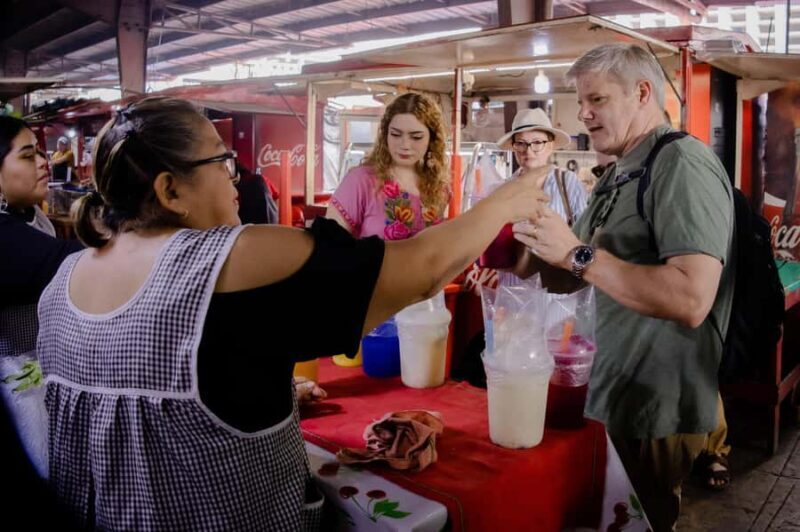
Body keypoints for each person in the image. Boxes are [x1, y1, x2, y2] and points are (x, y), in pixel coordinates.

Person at [36, 96, 550, 530]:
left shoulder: (64, 280)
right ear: (171, 191)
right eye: (223, 164)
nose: (237, 177)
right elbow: (422, 269)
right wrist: (504, 202)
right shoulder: (233, 255)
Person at [513, 43, 734, 531]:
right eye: (581, 103)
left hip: (652, 409)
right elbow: (577, 278)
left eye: (597, 100)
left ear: (641, 92)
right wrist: (538, 242)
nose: (584, 114)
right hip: (607, 394)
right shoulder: (617, 174)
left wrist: (575, 253)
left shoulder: (681, 163)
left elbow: (691, 297)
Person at [0, 116, 83, 478]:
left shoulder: (32, 217)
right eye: (27, 155)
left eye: (41, 153)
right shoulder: (4, 237)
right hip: (16, 385)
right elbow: (70, 264)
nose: (43, 162)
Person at [326, 92, 449, 240]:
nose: (405, 145)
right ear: (385, 135)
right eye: (396, 135)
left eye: (416, 137)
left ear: (432, 139)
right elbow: (329, 245)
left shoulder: (440, 188)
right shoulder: (361, 181)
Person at [495, 107, 588, 286]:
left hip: (557, 294)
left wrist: (580, 279)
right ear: (513, 147)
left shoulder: (567, 183)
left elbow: (586, 240)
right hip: (514, 290)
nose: (528, 151)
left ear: (550, 145)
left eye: (537, 142)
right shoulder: (503, 189)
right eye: (521, 143)